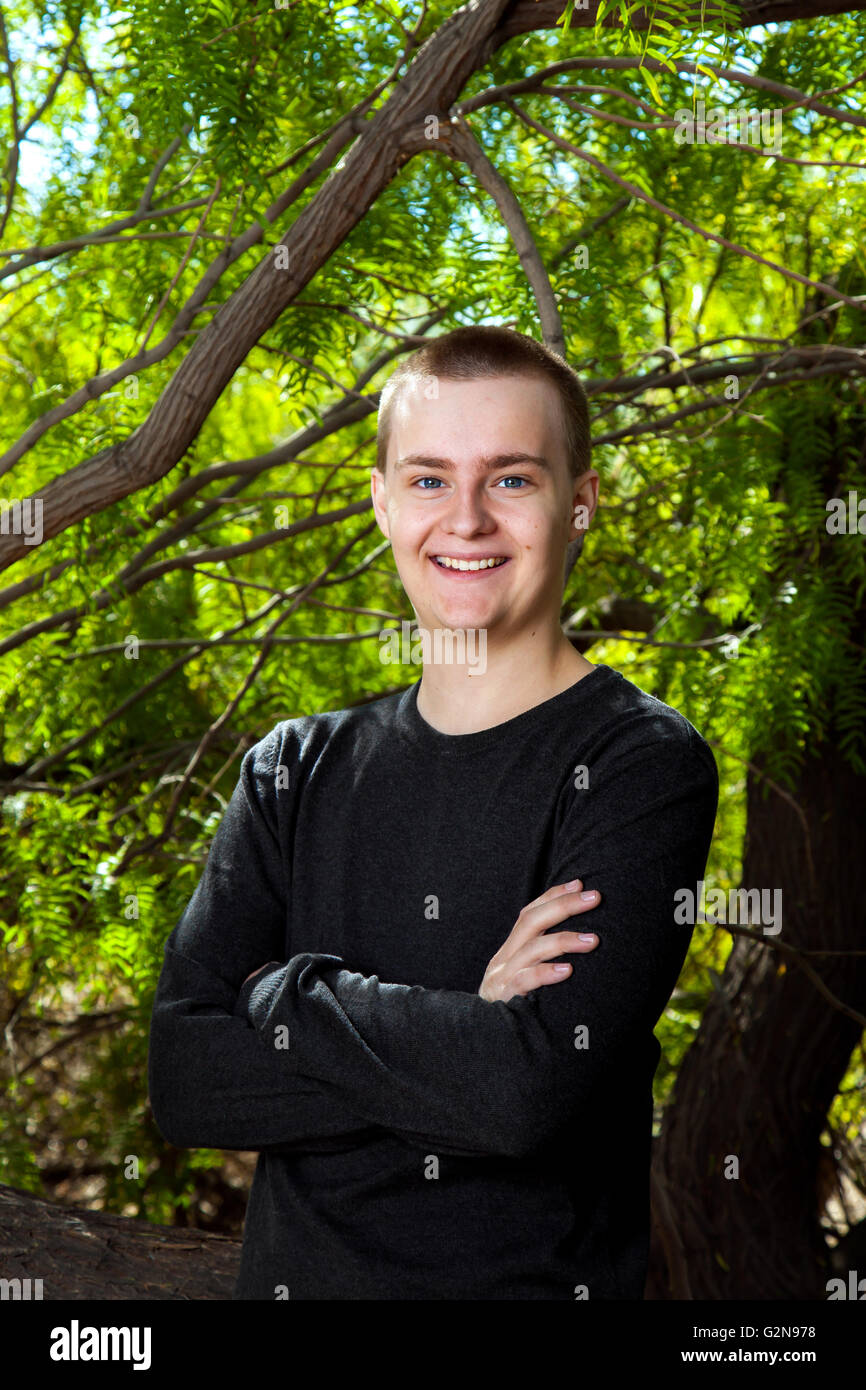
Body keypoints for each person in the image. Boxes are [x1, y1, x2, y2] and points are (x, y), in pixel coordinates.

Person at [148, 325, 719, 1300]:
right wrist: (464, 1026)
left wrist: (287, 992)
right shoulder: (291, 768)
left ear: (577, 504)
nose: (464, 520)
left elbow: (522, 1094)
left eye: (509, 480)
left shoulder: (637, 765)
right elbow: (187, 1075)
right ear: (379, 502)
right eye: (426, 480)